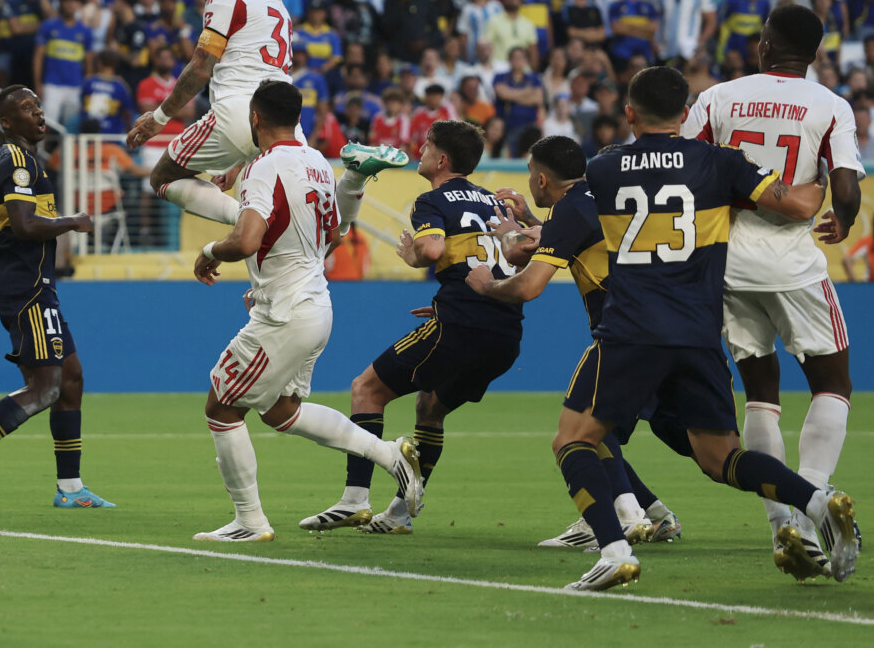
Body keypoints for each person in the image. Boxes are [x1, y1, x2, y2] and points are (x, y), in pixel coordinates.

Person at [549, 64, 859, 591]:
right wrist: (823, 180)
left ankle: (615, 549)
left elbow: (572, 225)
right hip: (698, 332)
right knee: (721, 458)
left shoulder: (602, 170)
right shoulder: (719, 163)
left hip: (631, 329)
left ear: (628, 114)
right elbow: (799, 203)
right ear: (687, 114)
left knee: (572, 440)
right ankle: (815, 499)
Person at [189, 80, 422, 541]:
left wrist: (211, 249)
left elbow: (248, 238)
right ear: (298, 118)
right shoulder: (317, 161)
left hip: (285, 313)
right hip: (315, 304)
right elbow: (333, 235)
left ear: (255, 118)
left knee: (222, 406)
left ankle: (249, 521)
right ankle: (391, 456)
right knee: (280, 411)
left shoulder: (264, 166)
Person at [681, 5, 865, 580]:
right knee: (832, 383)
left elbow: (684, 168)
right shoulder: (831, 106)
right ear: (813, 55)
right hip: (792, 262)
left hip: (729, 262)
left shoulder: (718, 97)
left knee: (761, 391)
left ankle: (781, 523)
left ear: (763, 47)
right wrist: (843, 220)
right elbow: (846, 187)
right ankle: (814, 512)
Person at [299, 121, 523, 535]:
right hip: (505, 332)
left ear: (442, 160)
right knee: (430, 409)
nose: (419, 150)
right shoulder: (494, 201)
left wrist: (414, 255)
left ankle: (354, 500)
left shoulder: (432, 199)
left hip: (459, 326)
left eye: (427, 145)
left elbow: (432, 248)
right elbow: (515, 257)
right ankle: (399, 514)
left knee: (366, 389)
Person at [466, 137, 683, 548]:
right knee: (691, 447)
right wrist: (529, 223)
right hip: (670, 325)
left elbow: (529, 285)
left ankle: (620, 516)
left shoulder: (573, 208)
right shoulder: (605, 196)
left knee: (585, 428)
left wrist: (486, 284)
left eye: (531, 175)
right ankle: (653, 512)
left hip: (624, 330)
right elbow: (571, 234)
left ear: (542, 178)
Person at [127, 0, 406, 237]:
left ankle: (252, 221)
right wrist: (236, 162)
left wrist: (159, 118)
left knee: (163, 178)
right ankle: (354, 177)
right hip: (280, 124)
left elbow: (200, 67)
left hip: (235, 112)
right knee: (324, 233)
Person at [0, 85, 114, 510]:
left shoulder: (5, 159)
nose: (38, 113)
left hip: (29, 281)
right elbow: (26, 225)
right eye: (26, 108)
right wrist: (72, 221)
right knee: (46, 387)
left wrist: (2, 228)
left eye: (38, 105)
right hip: (28, 285)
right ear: (7, 122)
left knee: (70, 378)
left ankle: (70, 489)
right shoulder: (16, 160)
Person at [32, 0, 93, 128]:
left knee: (71, 126)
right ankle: (40, 151)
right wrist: (38, 84)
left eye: (75, 1)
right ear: (61, 3)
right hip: (52, 84)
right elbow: (38, 57)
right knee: (45, 124)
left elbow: (88, 63)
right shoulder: (48, 26)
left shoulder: (85, 31)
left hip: (76, 86)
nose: (71, 4)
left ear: (79, 4)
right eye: (67, 0)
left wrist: (86, 87)